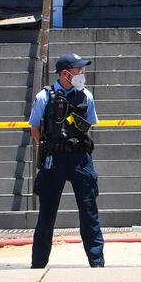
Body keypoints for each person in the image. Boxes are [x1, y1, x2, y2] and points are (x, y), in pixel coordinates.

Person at [29, 53, 105, 268]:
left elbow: (89, 125)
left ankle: (97, 262)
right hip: (55, 159)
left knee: (89, 212)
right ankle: (38, 264)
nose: (82, 74)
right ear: (65, 74)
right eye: (78, 70)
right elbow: (34, 128)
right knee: (47, 214)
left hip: (80, 159)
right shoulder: (44, 97)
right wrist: (50, 146)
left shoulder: (86, 95)